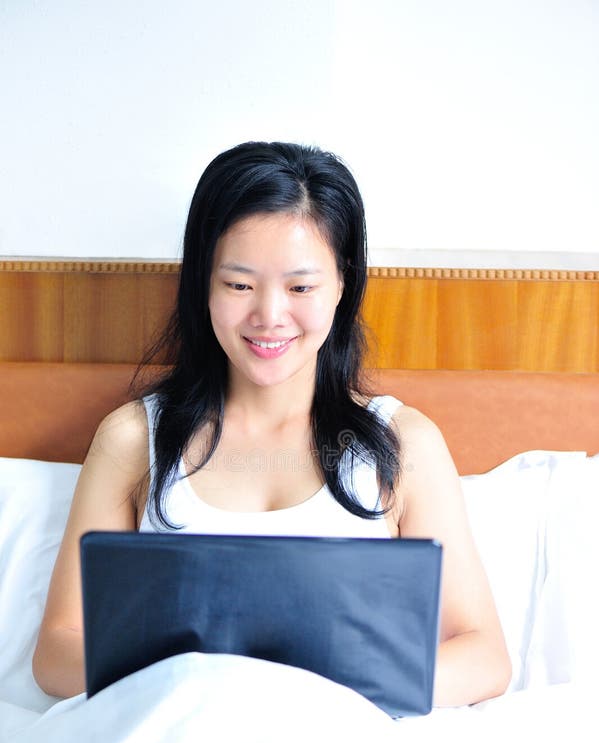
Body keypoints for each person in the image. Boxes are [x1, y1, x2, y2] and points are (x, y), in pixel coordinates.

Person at [32, 140, 511, 704]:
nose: (269, 316)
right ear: (203, 284)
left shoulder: (403, 445)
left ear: (342, 284)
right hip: (182, 734)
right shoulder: (134, 440)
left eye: (300, 287)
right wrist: (201, 683)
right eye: (239, 285)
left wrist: (320, 689)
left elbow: (483, 656)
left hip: (333, 736)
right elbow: (57, 653)